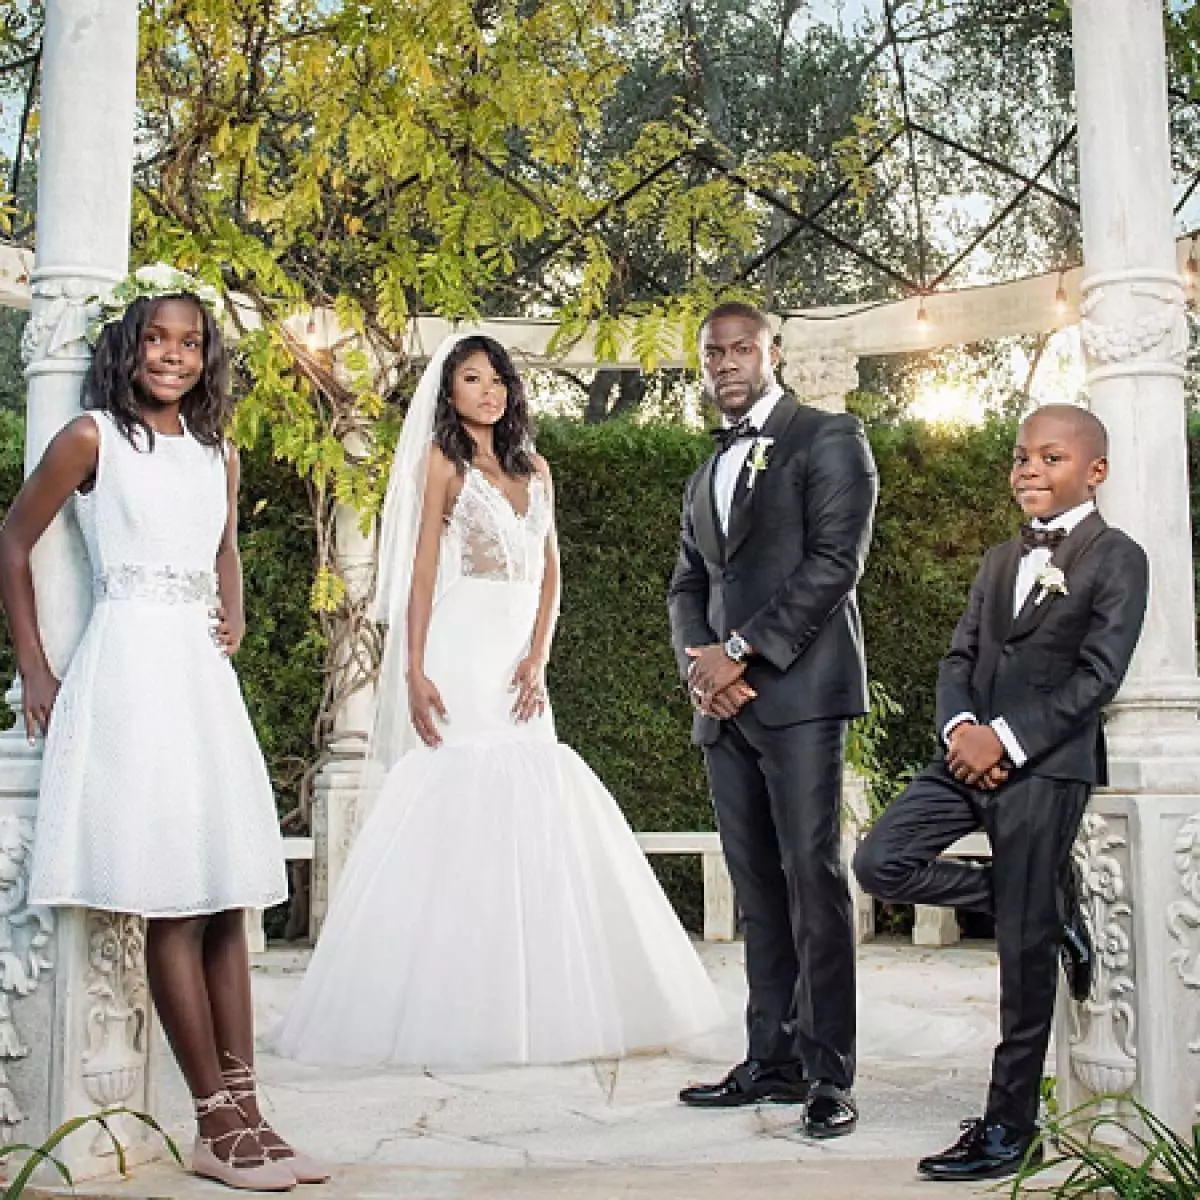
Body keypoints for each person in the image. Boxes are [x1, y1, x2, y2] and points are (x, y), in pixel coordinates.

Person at [273, 334, 723, 1068]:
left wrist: (539, 656)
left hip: (517, 662)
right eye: (470, 379)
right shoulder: (442, 463)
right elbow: (420, 575)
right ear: (449, 394)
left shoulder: (536, 468)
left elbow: (551, 575)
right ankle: (443, 1004)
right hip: (458, 646)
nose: (487, 390)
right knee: (455, 797)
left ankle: (541, 1000)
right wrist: (413, 668)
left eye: (496, 379)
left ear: (511, 391)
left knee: (533, 799)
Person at [0, 271, 328, 1192]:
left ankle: (251, 1112)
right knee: (177, 898)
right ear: (128, 346)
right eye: (157, 339)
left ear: (205, 356)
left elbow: (222, 548)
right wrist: (35, 665)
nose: (173, 356)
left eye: (189, 343)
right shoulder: (91, 438)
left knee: (228, 896)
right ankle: (214, 1124)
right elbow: (13, 540)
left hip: (197, 675)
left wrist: (236, 613)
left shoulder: (216, 452)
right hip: (131, 668)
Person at [853, 404, 1148, 1182]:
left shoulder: (1117, 558)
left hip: (1045, 765)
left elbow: (1097, 676)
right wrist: (959, 731)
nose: (1027, 470)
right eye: (1021, 457)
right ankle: (1040, 901)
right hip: (963, 759)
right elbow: (959, 655)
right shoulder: (995, 561)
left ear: (1094, 470)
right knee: (880, 862)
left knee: (1022, 964)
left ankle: (1009, 1129)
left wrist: (1007, 740)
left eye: (1049, 458)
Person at [667, 301, 877, 1139]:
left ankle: (830, 1075)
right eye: (713, 352)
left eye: (740, 348)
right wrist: (702, 666)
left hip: (801, 699)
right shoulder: (701, 471)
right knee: (757, 889)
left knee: (811, 880)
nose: (725, 363)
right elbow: (687, 584)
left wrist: (743, 652)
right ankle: (771, 1060)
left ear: (772, 352)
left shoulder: (829, 437)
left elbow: (836, 564)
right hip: (724, 708)